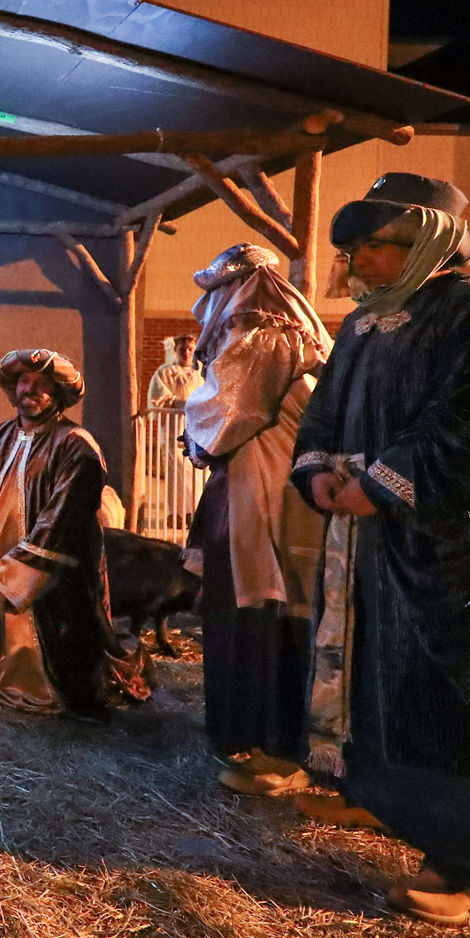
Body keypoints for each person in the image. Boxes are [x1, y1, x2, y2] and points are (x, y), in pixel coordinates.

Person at [290, 172, 470, 924]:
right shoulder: (364, 325)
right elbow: (323, 413)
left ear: (426, 239)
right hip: (375, 546)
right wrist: (318, 474)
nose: (357, 261)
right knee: (382, 683)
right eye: (353, 247)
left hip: (454, 555)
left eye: (376, 244)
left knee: (455, 691)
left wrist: (382, 483)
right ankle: (397, 805)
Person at [181, 243, 331, 797]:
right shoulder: (292, 335)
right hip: (263, 485)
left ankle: (273, 744)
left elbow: (229, 412)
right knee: (266, 607)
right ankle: (260, 735)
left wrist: (195, 437)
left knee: (262, 609)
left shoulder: (263, 336)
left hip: (266, 492)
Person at [0, 349, 150, 718]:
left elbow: (64, 522)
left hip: (57, 581)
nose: (30, 390)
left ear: (58, 394)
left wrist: (12, 576)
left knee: (69, 660)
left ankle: (61, 693)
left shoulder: (77, 446)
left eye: (41, 385)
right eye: (23, 383)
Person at [147, 334, 201, 408]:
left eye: (190, 349)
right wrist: (178, 403)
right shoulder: (164, 371)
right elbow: (157, 397)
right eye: (182, 350)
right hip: (172, 416)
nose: (186, 353)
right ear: (175, 350)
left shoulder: (203, 371)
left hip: (195, 416)